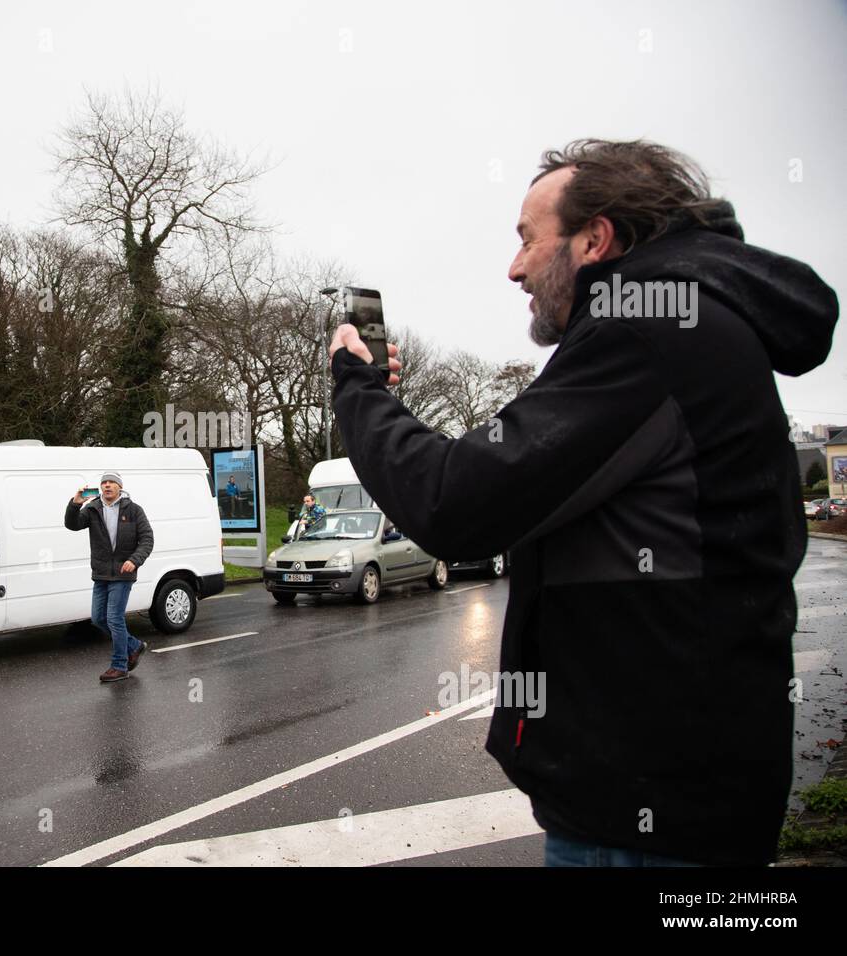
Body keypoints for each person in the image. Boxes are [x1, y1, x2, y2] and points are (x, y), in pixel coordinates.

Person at [329, 139, 837, 867]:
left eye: (528, 240)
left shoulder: (645, 331)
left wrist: (357, 388)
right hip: (682, 796)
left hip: (647, 820)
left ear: (595, 239)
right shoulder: (683, 321)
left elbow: (455, 501)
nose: (515, 268)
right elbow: (517, 477)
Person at [64, 471, 155, 682]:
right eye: (104, 483)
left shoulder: (133, 510)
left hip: (123, 573)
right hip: (101, 573)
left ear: (119, 487)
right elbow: (72, 524)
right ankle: (134, 645)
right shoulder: (93, 508)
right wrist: (75, 503)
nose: (107, 486)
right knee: (98, 618)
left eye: (111, 483)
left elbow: (147, 539)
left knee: (114, 618)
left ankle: (119, 665)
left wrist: (135, 560)